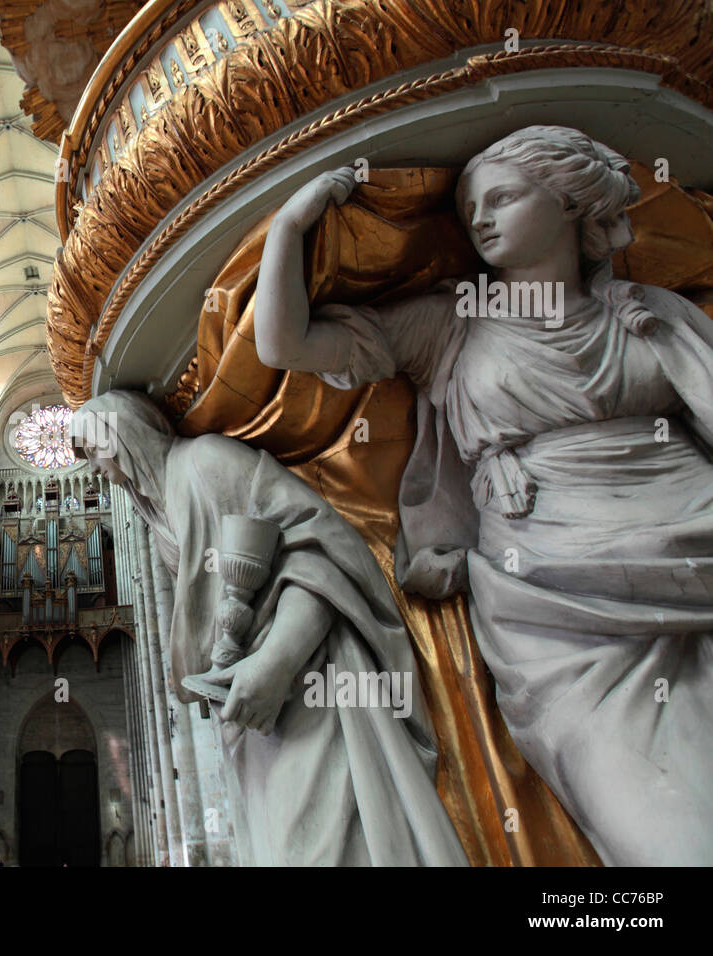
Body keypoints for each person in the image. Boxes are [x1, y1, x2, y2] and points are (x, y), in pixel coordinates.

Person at [250, 125, 713, 865]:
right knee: (663, 833)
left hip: (696, 535)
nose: (482, 219)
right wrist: (289, 225)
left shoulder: (647, 311)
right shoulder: (452, 324)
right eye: (471, 210)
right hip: (556, 596)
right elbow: (285, 346)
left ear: (567, 201)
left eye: (503, 197)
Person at [70, 391, 468, 866]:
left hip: (304, 677)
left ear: (120, 434)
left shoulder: (206, 461)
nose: (91, 468)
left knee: (326, 848)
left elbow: (319, 545)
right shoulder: (156, 517)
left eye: (91, 449)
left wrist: (276, 662)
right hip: (249, 706)